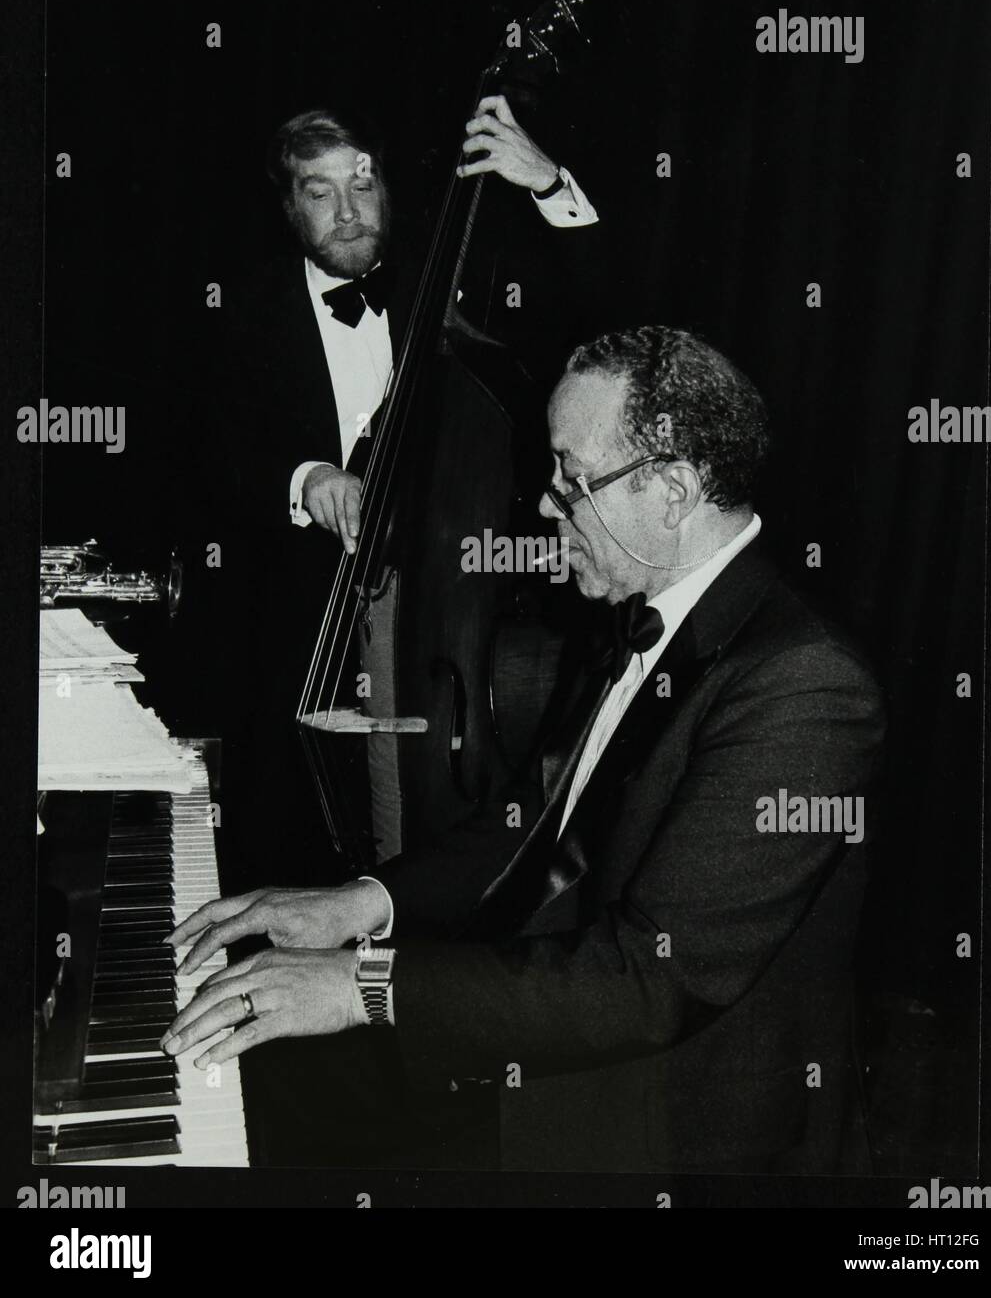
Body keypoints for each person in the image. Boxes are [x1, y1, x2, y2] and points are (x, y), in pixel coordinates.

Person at [175, 324, 885, 1173]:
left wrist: (362, 983)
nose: (547, 502)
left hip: (664, 1126)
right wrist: (360, 904)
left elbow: (649, 984)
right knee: (261, 1095)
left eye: (571, 477)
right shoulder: (627, 611)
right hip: (550, 1030)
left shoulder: (804, 684)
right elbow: (530, 825)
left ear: (673, 488)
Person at [216, 100, 597, 888]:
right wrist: (306, 477)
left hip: (447, 626)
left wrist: (546, 184)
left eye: (363, 183)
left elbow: (588, 312)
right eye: (319, 192)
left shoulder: (449, 286)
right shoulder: (240, 311)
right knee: (288, 833)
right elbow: (207, 449)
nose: (347, 211)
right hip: (295, 632)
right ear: (290, 207)